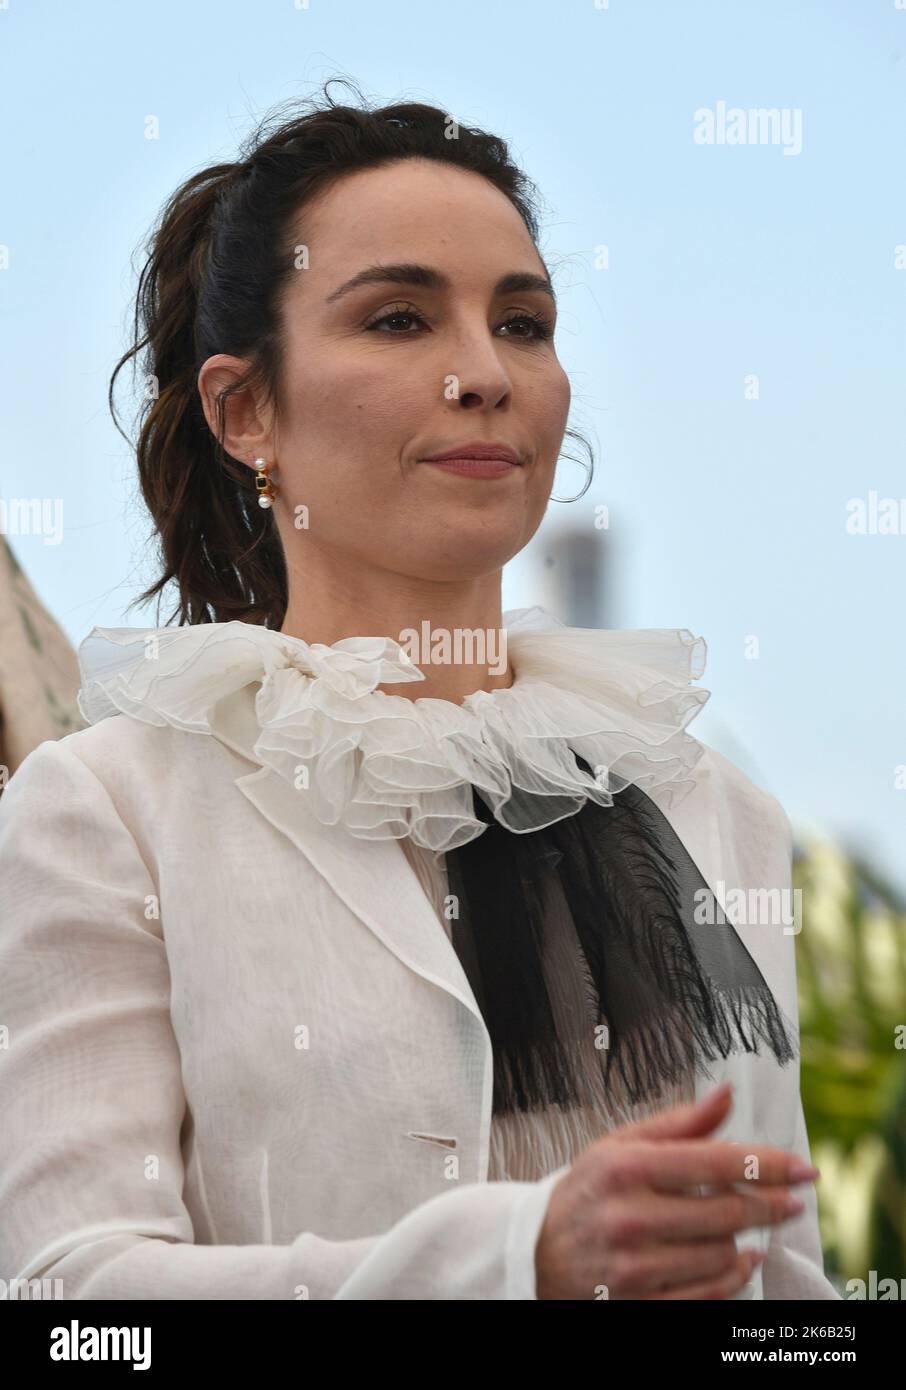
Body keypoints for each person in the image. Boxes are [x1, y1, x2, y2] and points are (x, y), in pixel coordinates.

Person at [0, 80, 840, 1300]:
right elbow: (67, 1300)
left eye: (524, 323)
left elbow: (783, 1282)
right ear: (245, 409)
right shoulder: (110, 808)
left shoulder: (713, 806)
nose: (483, 374)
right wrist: (511, 1264)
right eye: (399, 320)